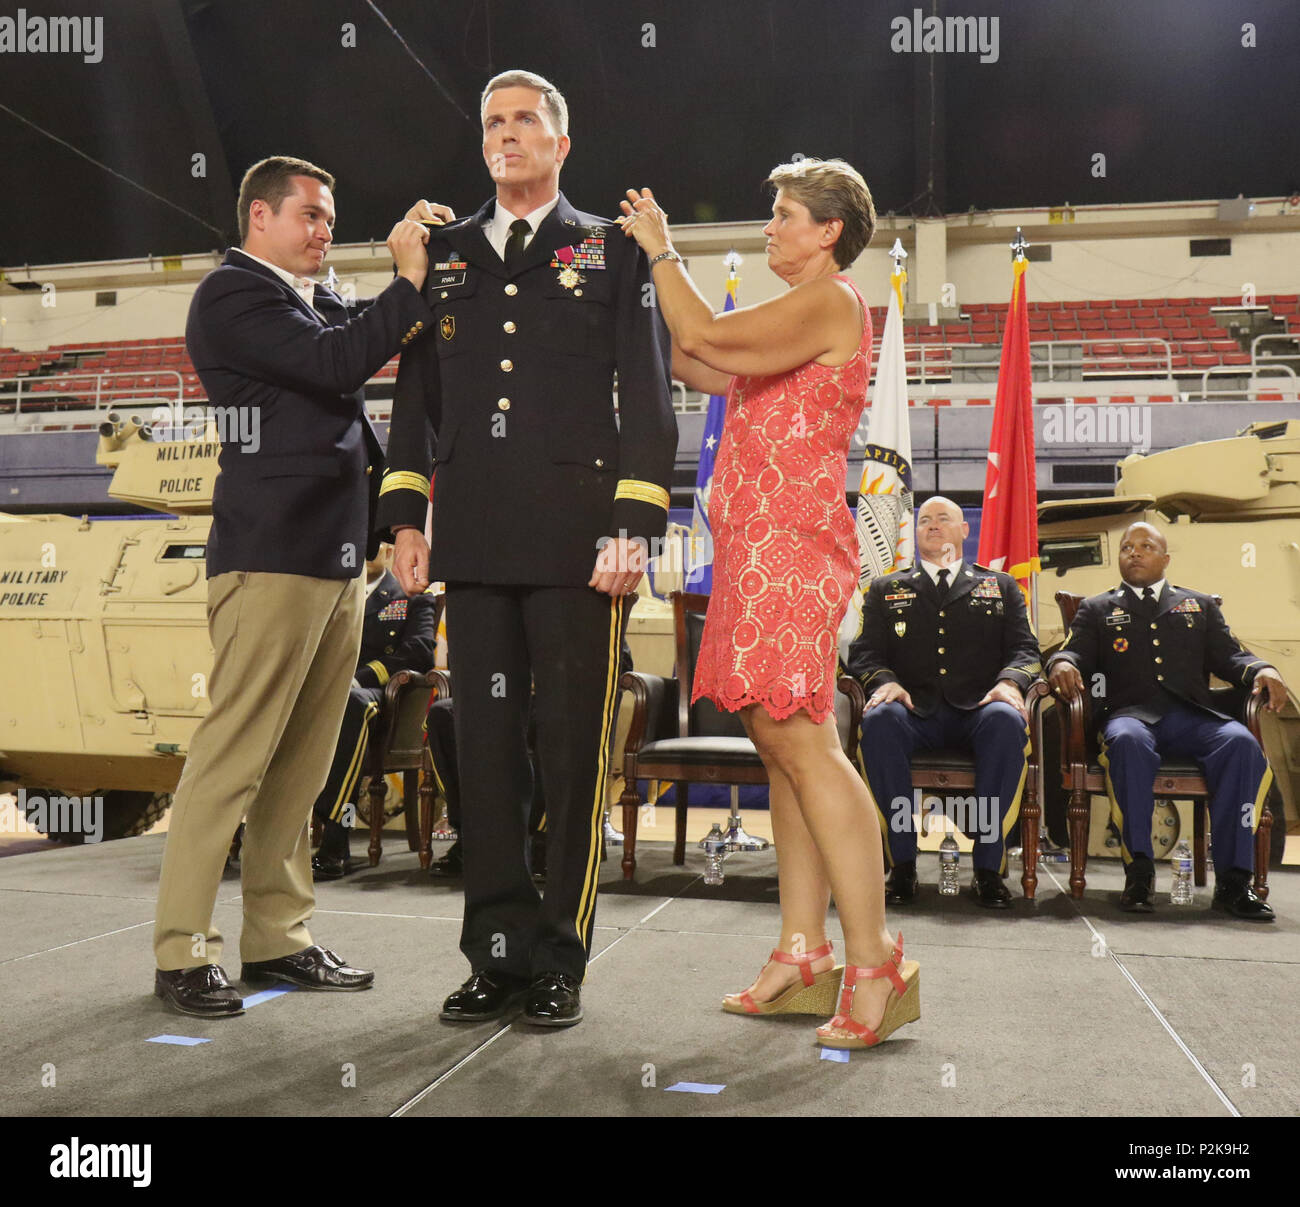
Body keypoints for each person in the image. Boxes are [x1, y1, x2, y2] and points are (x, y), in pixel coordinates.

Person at [379, 71, 676, 1028]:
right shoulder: (445, 253)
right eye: (493, 123)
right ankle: (496, 955)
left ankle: (559, 959)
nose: (507, 136)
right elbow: (416, 400)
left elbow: (649, 394)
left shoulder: (611, 250)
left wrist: (632, 526)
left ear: (560, 142)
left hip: (581, 542)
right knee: (488, 747)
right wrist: (407, 518)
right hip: (475, 537)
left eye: (526, 122)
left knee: (572, 748)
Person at [620, 158, 917, 1050]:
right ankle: (802, 949)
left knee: (806, 745)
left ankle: (877, 963)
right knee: (783, 744)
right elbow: (690, 354)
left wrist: (664, 250)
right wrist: (637, 280)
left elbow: (705, 329)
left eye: (785, 215)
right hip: (754, 550)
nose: (770, 228)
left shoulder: (833, 302)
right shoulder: (786, 329)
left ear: (828, 231)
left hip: (792, 549)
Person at [152, 156, 434, 1017]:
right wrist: (407, 277)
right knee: (235, 755)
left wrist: (395, 519)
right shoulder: (234, 295)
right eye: (309, 215)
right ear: (259, 218)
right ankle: (181, 950)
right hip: (269, 555)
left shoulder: (310, 298)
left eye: (329, 216)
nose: (323, 230)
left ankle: (278, 938)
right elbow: (341, 361)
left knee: (304, 766)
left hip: (336, 560)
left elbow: (371, 359)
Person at [1047, 521, 1287, 919]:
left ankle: (1234, 881)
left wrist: (1264, 669)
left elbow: (1231, 656)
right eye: (1127, 547)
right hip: (1130, 717)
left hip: (1193, 717)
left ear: (1165, 558)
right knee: (1127, 742)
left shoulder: (1198, 605)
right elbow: (1072, 653)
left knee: (1241, 743)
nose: (1134, 553)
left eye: (1145, 546)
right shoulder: (1097, 608)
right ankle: (1139, 872)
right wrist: (1061, 663)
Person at [846, 497, 1042, 908]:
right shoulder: (887, 588)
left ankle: (989, 869)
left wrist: (1009, 683)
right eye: (925, 521)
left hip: (979, 710)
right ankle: (901, 865)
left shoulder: (1000, 586)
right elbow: (864, 654)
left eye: (944, 519)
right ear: (915, 534)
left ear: (964, 530)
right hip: (913, 711)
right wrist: (886, 682)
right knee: (880, 721)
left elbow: (1026, 651)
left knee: (1007, 722)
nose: (933, 526)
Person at [311, 543, 439, 880]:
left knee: (353, 706)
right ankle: (244, 834)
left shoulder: (410, 595)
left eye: (379, 542)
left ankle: (335, 839)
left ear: (391, 549)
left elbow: (420, 652)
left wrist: (360, 678)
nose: (372, 549)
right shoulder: (330, 591)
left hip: (380, 699)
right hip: (325, 690)